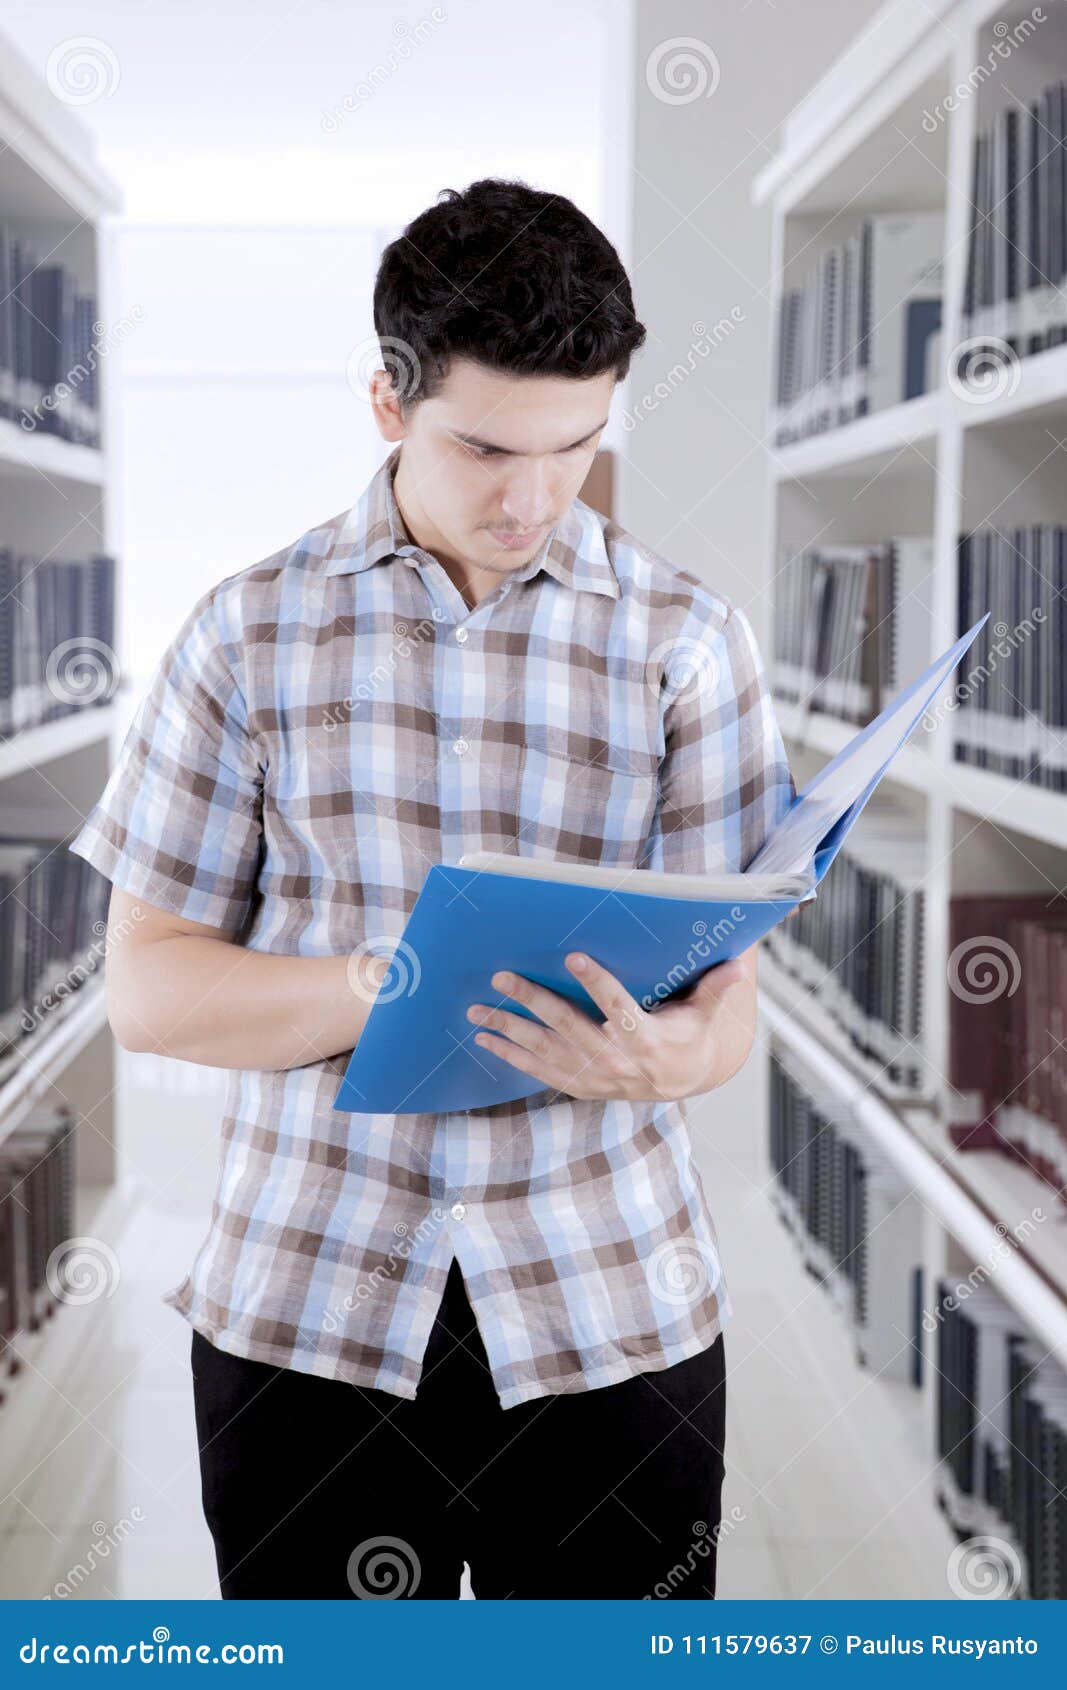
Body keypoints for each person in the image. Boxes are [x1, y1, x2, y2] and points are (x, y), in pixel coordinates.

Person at [69, 176, 796, 1600]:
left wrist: (667, 1054)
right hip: (313, 1308)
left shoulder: (690, 643)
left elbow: (729, 1013)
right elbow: (148, 987)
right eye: (486, 448)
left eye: (577, 447)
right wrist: (387, 978)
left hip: (609, 1312)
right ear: (390, 400)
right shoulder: (246, 634)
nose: (534, 497)